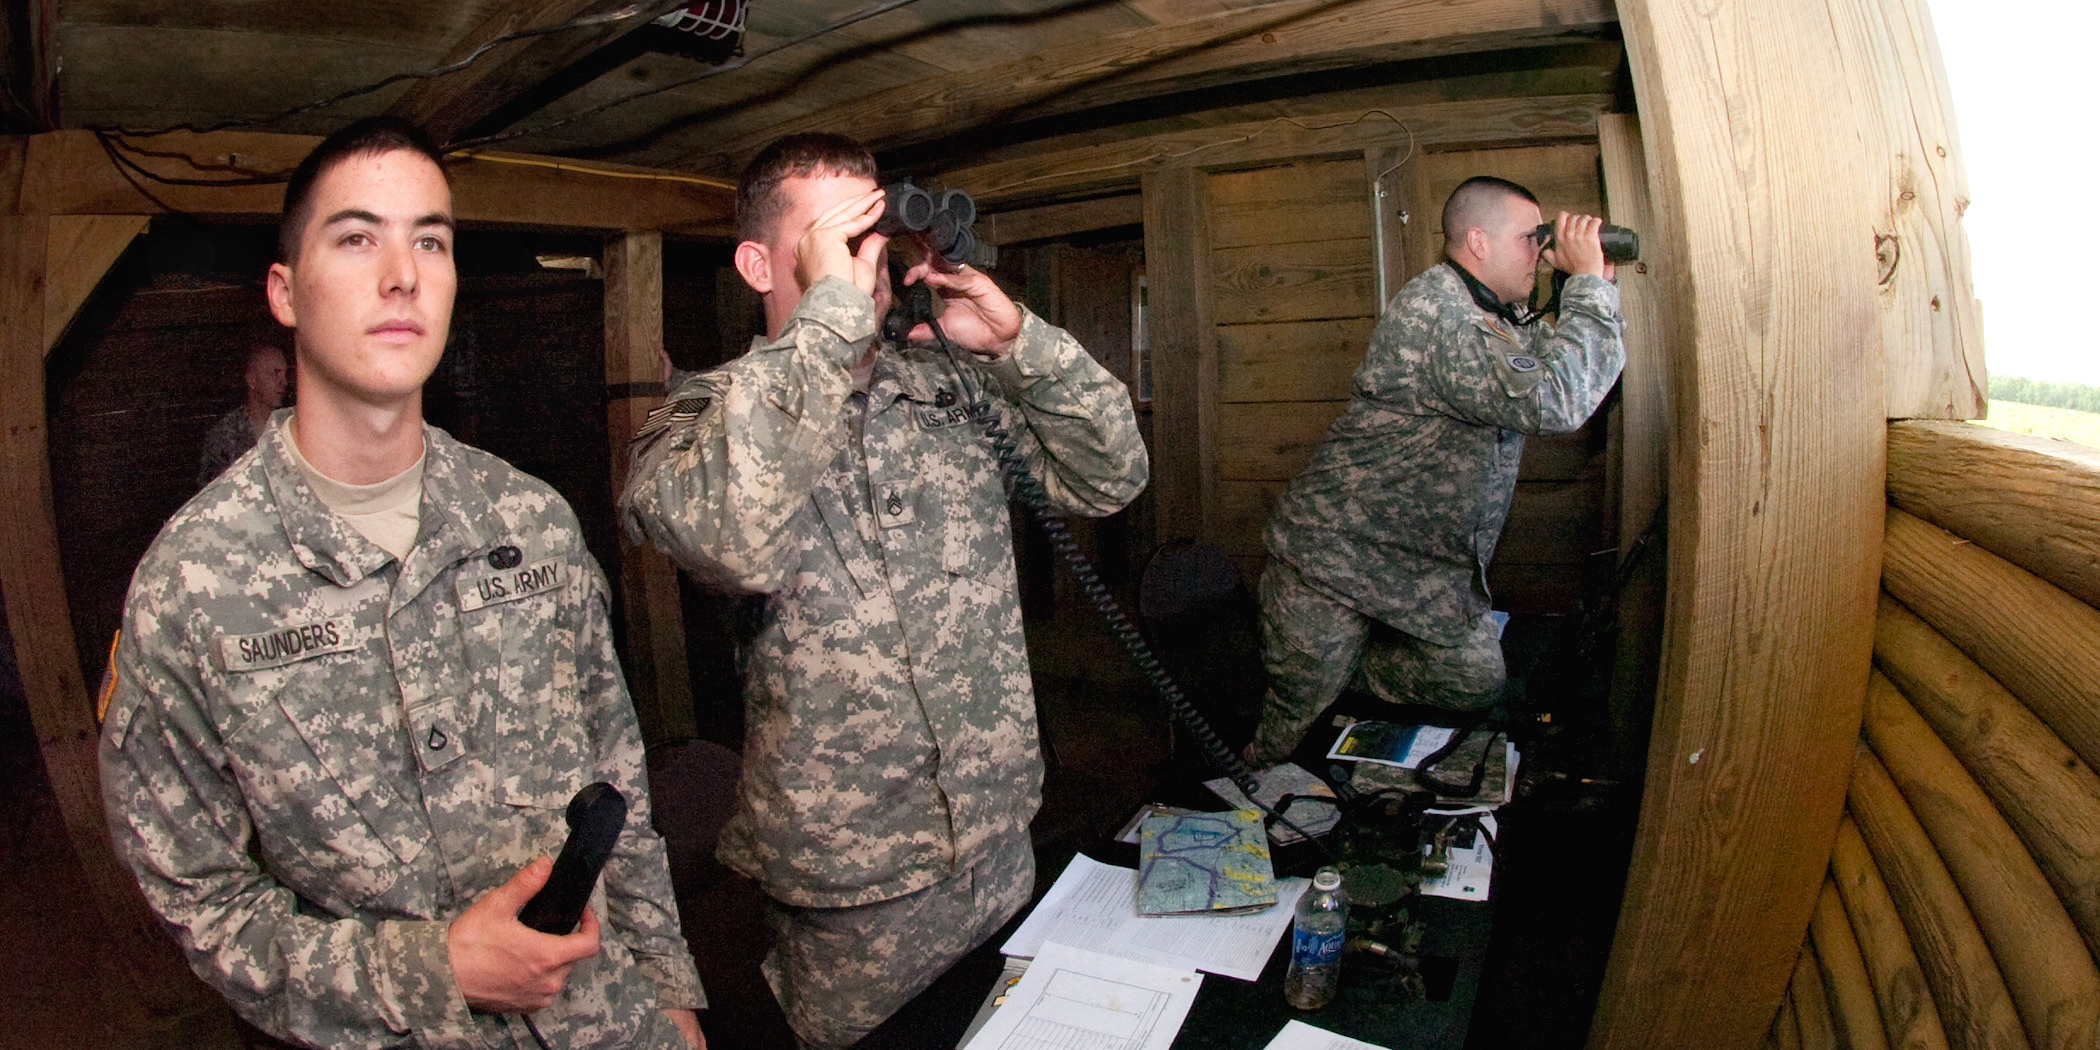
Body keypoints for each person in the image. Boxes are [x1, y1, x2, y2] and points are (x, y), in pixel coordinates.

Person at [99, 117, 708, 1050]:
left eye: (430, 239)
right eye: (356, 238)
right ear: (285, 291)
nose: (403, 274)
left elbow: (614, 776)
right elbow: (204, 901)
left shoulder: (529, 521)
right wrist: (433, 971)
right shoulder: (191, 589)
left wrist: (669, 992)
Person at [620, 133, 1148, 1048]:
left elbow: (1112, 477)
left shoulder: (944, 387)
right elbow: (730, 541)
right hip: (854, 884)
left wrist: (1021, 344)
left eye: (875, 233)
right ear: (757, 263)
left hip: (998, 830)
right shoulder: (701, 413)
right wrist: (827, 322)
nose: (868, 264)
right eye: (838, 239)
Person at [1243, 175, 1624, 767]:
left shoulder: (1500, 314)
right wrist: (1589, 291)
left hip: (1418, 567)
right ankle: (1253, 789)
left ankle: (1342, 668)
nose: (1540, 252)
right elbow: (1555, 402)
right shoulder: (1443, 317)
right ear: (1478, 241)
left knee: (1474, 682)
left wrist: (1587, 285)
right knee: (1294, 719)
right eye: (1530, 239)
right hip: (1335, 560)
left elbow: (1581, 373)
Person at [197, 339, 290, 485]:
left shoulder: (292, 426)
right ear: (251, 379)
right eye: (275, 373)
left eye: (285, 374)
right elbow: (214, 494)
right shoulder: (227, 434)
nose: (283, 382)